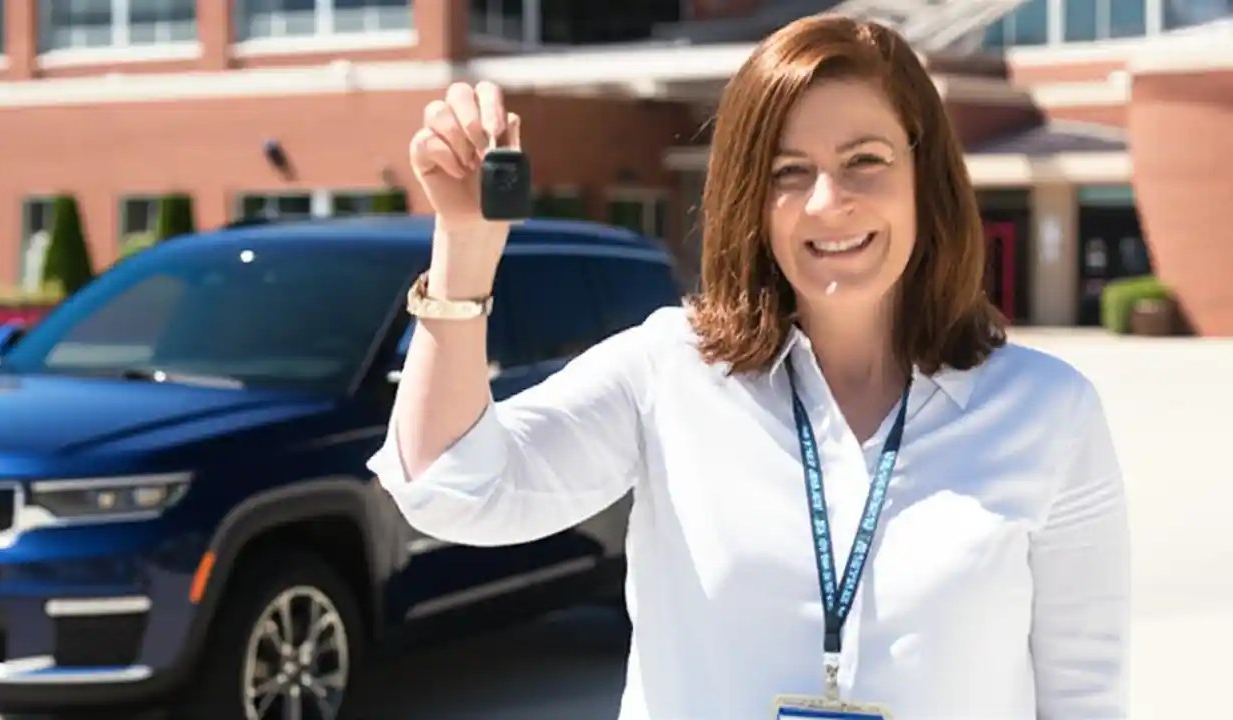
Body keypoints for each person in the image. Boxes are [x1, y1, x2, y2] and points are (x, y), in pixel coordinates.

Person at [369, 14, 1130, 720]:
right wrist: (463, 248)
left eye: (864, 160)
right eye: (788, 171)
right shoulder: (668, 372)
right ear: (750, 200)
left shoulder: (1048, 412)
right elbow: (450, 487)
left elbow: (1084, 699)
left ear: (923, 178)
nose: (827, 201)